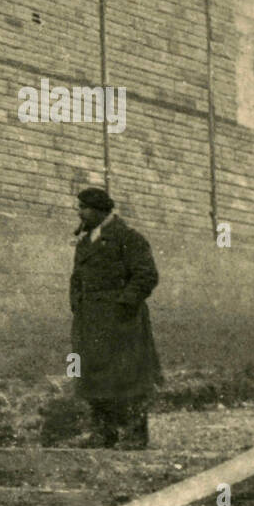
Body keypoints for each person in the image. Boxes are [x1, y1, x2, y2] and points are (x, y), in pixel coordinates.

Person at [69, 187, 161, 449]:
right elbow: (77, 278)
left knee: (129, 376)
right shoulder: (86, 241)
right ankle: (103, 433)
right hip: (90, 322)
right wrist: (77, 304)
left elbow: (146, 275)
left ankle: (135, 435)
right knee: (94, 376)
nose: (79, 213)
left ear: (99, 210)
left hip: (122, 321)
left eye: (83, 208)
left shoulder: (128, 238)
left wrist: (122, 306)